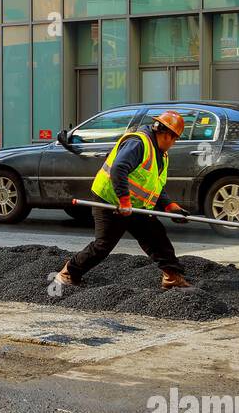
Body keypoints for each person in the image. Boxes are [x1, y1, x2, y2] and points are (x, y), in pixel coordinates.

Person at [57, 111, 193, 291]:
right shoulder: (138, 143)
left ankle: (172, 277)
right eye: (175, 139)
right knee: (103, 245)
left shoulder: (161, 154)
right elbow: (119, 168)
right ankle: (67, 273)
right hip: (109, 199)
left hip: (134, 204)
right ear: (168, 135)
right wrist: (124, 200)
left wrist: (170, 206)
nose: (173, 144)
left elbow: (153, 186)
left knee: (156, 236)